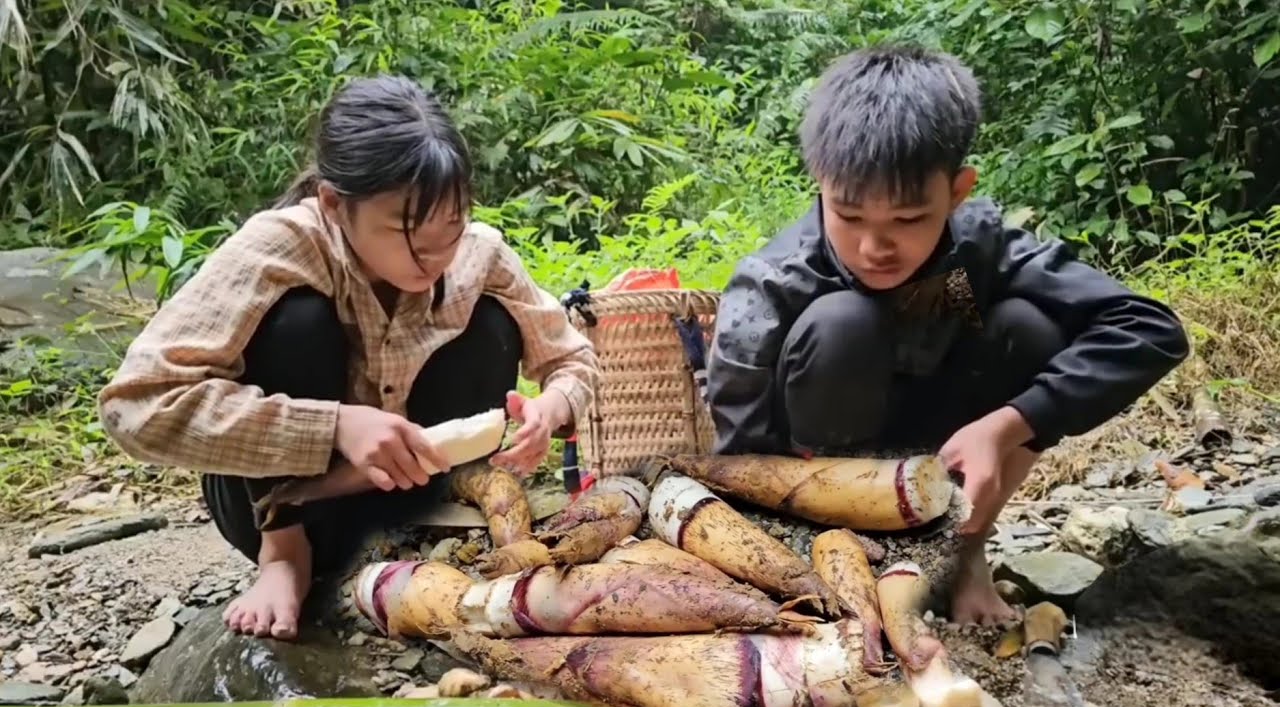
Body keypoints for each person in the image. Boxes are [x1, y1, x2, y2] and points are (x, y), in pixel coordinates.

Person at [97, 75, 599, 641]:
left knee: (490, 321)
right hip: (283, 505)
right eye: (408, 233)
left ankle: (431, 540)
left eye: (452, 226)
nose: (436, 256)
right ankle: (284, 556)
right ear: (336, 205)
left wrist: (549, 410)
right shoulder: (283, 242)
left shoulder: (479, 253)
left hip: (415, 497)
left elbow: (573, 361)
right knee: (297, 322)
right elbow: (136, 405)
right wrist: (333, 426)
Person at [704, 45, 1189, 624]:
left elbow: (1150, 328)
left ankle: (963, 552)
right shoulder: (773, 285)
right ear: (820, 183)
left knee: (1027, 329)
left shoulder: (979, 247)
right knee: (842, 325)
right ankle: (858, 569)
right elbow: (741, 463)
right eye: (849, 215)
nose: (874, 247)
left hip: (948, 451)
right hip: (824, 481)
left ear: (957, 191)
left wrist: (1009, 423)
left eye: (908, 220)